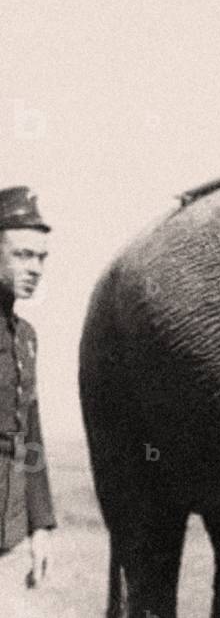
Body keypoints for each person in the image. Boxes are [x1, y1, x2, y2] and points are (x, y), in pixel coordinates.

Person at [0, 186, 55, 587]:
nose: (35, 268)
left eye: (41, 257)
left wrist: (39, 525)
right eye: (22, 254)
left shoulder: (25, 337)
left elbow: (30, 434)